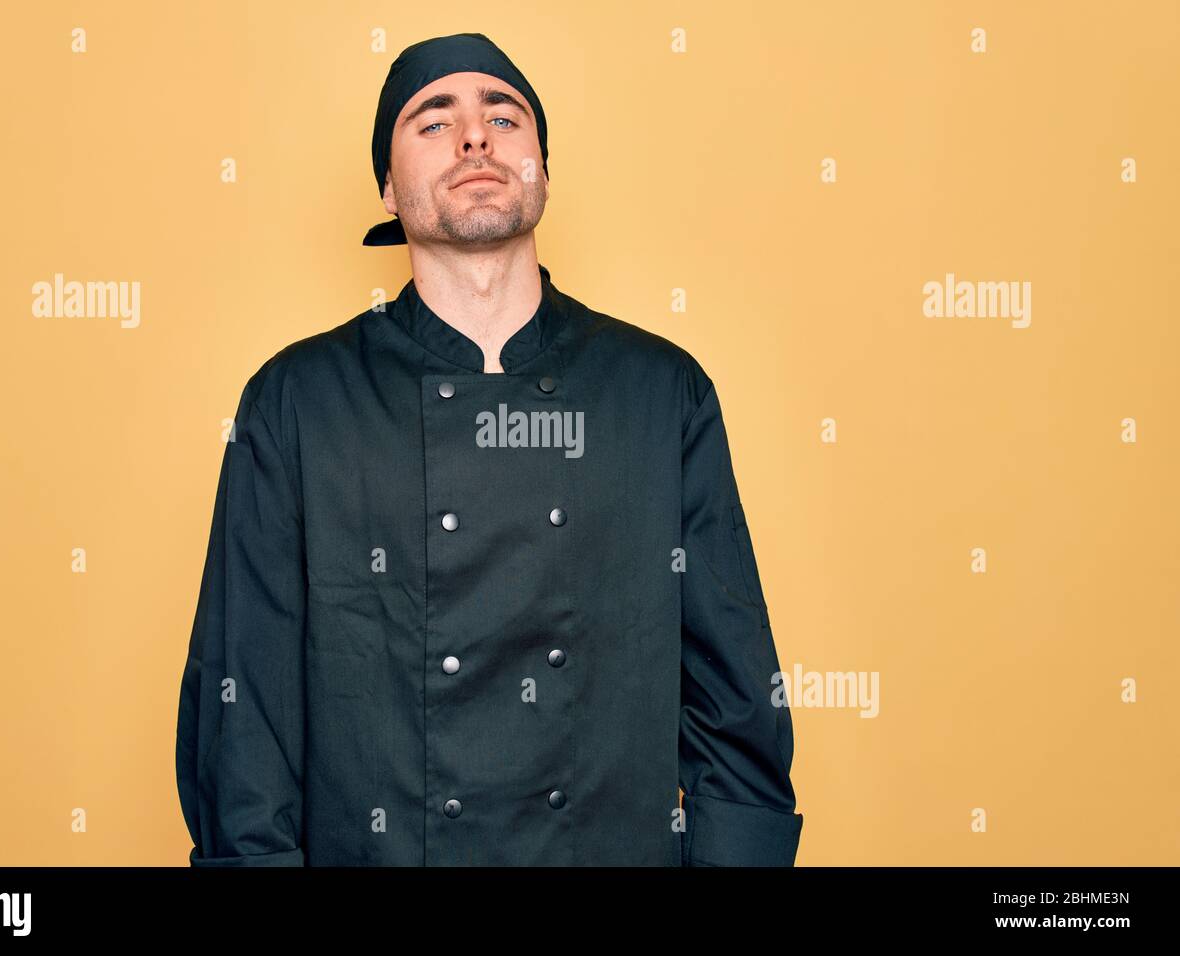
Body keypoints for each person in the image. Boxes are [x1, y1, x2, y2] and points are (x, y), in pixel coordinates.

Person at [174, 31, 803, 866]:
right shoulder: (297, 403)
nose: (476, 135)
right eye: (433, 121)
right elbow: (243, 715)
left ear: (542, 164)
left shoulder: (660, 393)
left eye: (504, 117)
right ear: (389, 189)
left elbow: (736, 709)